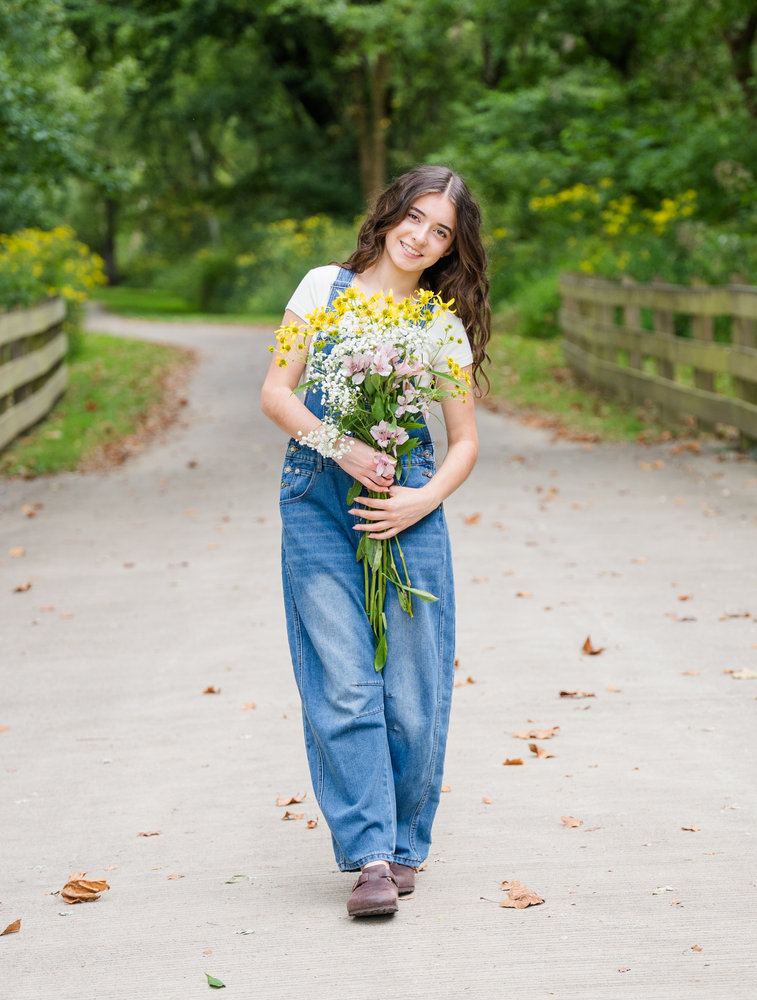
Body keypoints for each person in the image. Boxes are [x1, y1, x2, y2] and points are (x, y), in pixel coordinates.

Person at [259, 165, 491, 918]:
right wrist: (342, 448)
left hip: (406, 501)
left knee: (414, 693)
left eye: (441, 232)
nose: (421, 238)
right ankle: (369, 859)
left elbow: (462, 441)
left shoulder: (437, 324)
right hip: (318, 498)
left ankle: (402, 842)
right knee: (345, 681)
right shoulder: (321, 289)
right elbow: (276, 392)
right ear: (391, 212)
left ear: (452, 248)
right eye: (415, 218)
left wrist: (422, 498)